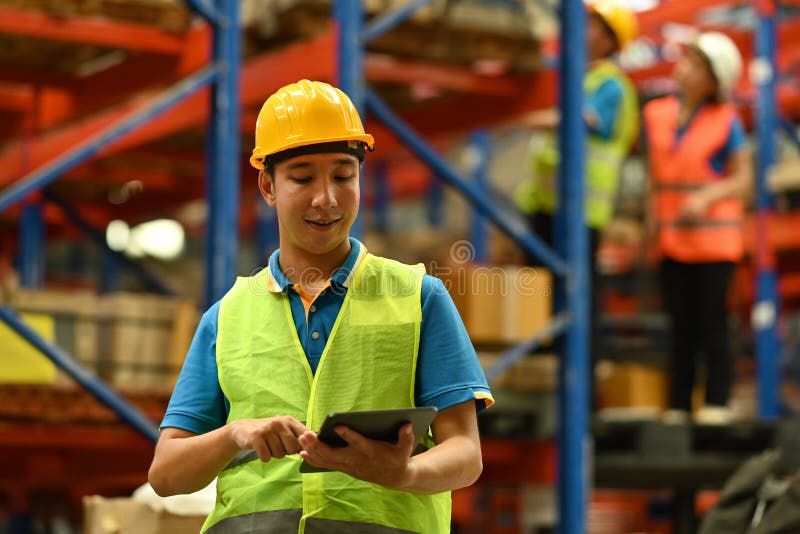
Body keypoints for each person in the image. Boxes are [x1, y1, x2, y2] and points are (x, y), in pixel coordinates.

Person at [148, 79, 493, 533]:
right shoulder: (227, 317)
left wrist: (405, 473)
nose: (325, 198)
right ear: (267, 186)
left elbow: (466, 454)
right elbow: (166, 474)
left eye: (343, 176)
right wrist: (235, 434)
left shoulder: (419, 298)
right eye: (303, 177)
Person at [643, 32, 752, 425]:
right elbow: (653, 180)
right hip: (672, 241)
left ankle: (717, 403)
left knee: (713, 325)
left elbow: (744, 178)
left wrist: (705, 197)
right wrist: (650, 225)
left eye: (696, 64)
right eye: (687, 60)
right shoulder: (657, 115)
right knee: (679, 326)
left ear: (713, 80)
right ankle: (678, 405)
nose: (684, 68)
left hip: (714, 243)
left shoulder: (727, 121)